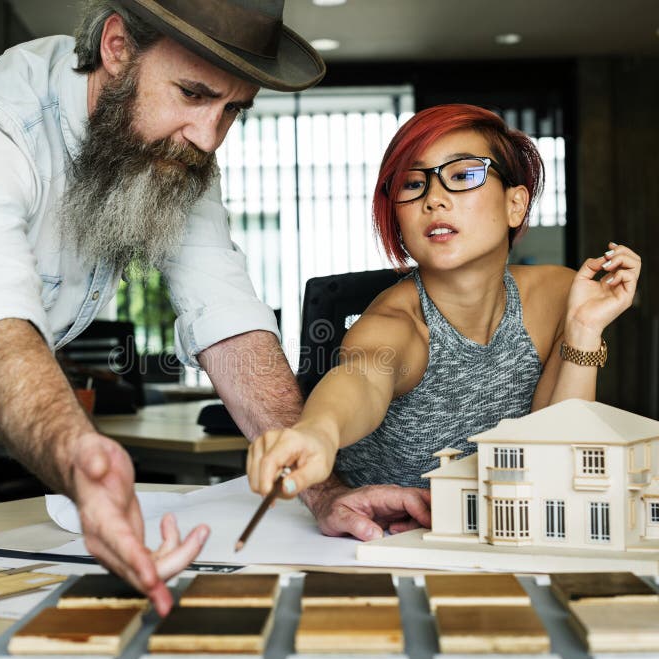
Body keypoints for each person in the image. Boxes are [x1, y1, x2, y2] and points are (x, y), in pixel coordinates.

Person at [0, 1, 326, 614]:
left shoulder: (171, 152)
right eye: (192, 94)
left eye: (233, 109)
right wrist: (82, 463)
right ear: (117, 48)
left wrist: (325, 489)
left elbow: (228, 316)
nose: (209, 136)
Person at [247, 104, 641, 530]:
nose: (433, 198)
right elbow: (362, 377)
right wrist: (318, 432)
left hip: (504, 537)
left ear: (515, 204)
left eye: (463, 175)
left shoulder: (557, 295)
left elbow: (556, 456)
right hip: (379, 545)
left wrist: (584, 331)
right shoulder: (393, 324)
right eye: (413, 184)